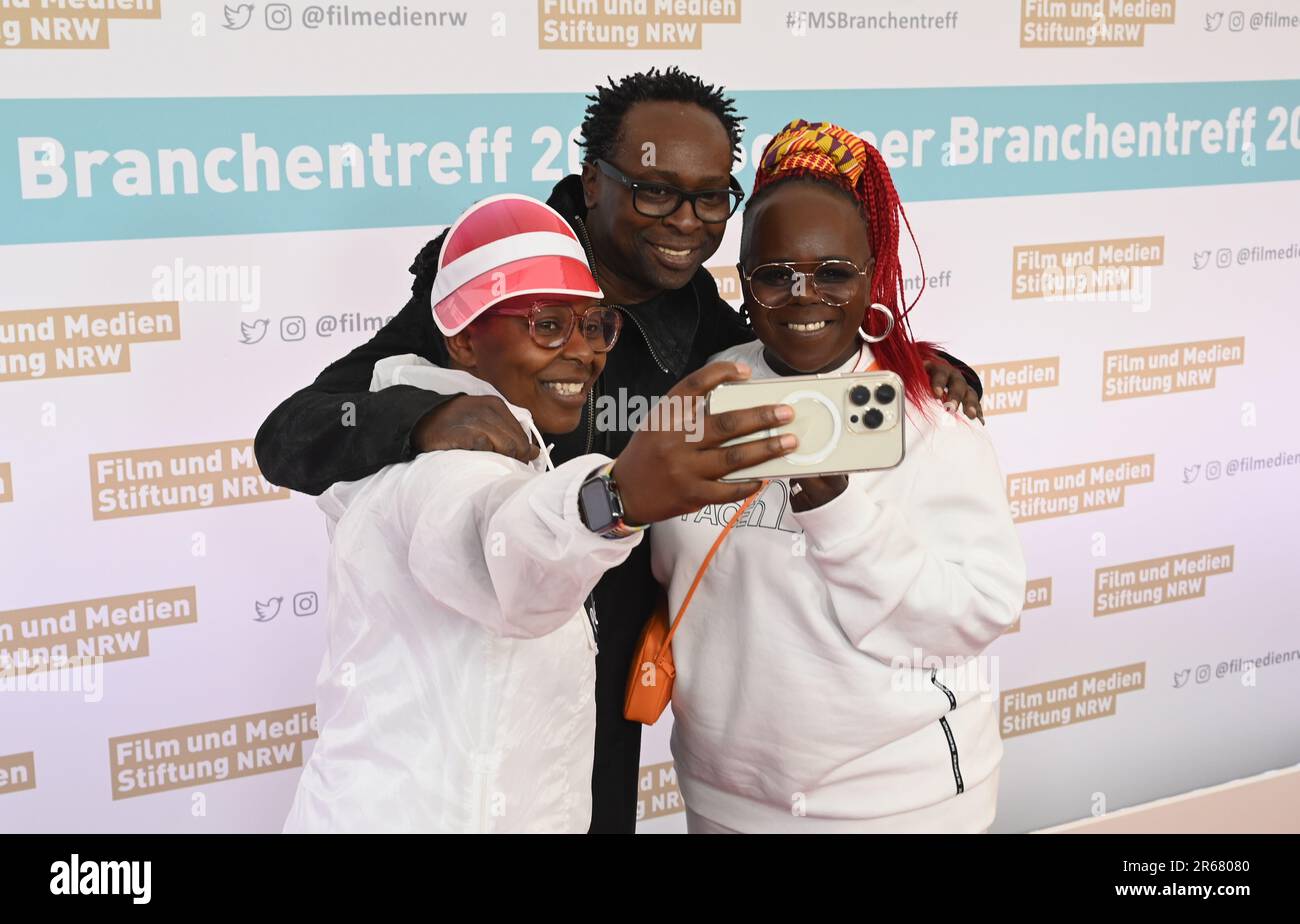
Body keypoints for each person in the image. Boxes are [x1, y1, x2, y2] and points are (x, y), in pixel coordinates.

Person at [256, 68, 986, 833]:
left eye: (711, 197)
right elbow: (292, 433)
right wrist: (420, 418)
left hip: (606, 662)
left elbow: (795, 350)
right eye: (655, 191)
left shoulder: (707, 322)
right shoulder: (499, 270)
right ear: (591, 182)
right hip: (468, 659)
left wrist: (904, 361)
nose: (687, 222)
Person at [282, 194, 795, 832]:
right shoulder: (437, 469)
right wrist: (618, 498)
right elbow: (499, 545)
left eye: (593, 325)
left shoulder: (508, 438)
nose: (584, 352)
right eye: (547, 325)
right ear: (465, 340)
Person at [650, 120, 1026, 833]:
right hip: (725, 800)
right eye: (773, 273)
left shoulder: (930, 414)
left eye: (833, 272)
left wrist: (842, 515)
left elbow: (983, 609)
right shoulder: (703, 395)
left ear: (871, 273)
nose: (803, 295)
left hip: (900, 804)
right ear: (744, 281)